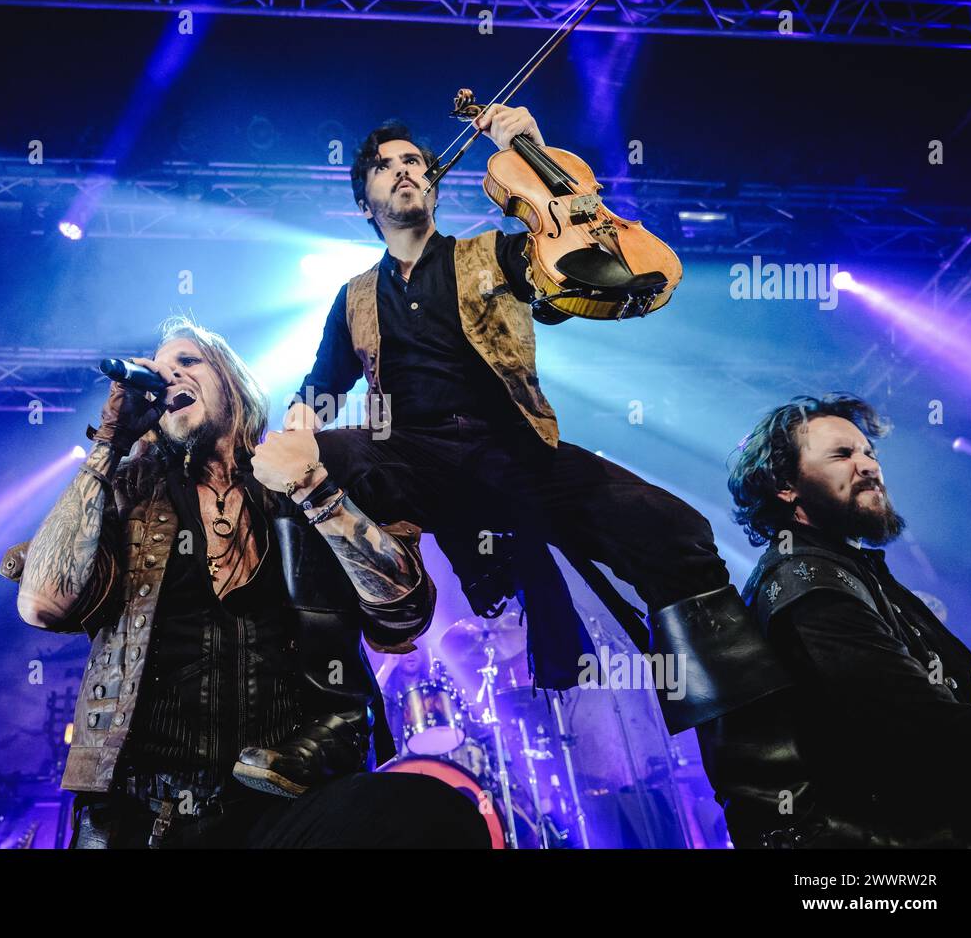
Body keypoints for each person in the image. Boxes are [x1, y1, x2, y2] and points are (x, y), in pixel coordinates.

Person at [285, 111, 787, 737]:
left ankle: (756, 758)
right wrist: (294, 432)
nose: (402, 170)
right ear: (367, 204)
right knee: (308, 466)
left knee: (673, 528)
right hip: (410, 457)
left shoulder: (495, 252)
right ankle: (338, 709)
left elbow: (605, 265)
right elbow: (322, 384)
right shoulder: (354, 294)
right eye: (384, 167)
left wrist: (534, 153)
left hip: (515, 452)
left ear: (434, 181)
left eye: (413, 160)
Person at [5, 316, 489, 848]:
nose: (167, 377)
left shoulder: (307, 474)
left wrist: (315, 490)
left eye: (186, 362)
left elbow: (404, 611)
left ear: (232, 381)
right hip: (144, 820)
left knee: (438, 815)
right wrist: (108, 443)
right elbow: (42, 605)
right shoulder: (129, 492)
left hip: (282, 806)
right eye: (158, 371)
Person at [704, 393, 971, 848]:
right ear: (785, 485)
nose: (869, 466)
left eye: (869, 453)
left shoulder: (842, 568)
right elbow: (925, 728)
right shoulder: (809, 584)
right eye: (842, 455)